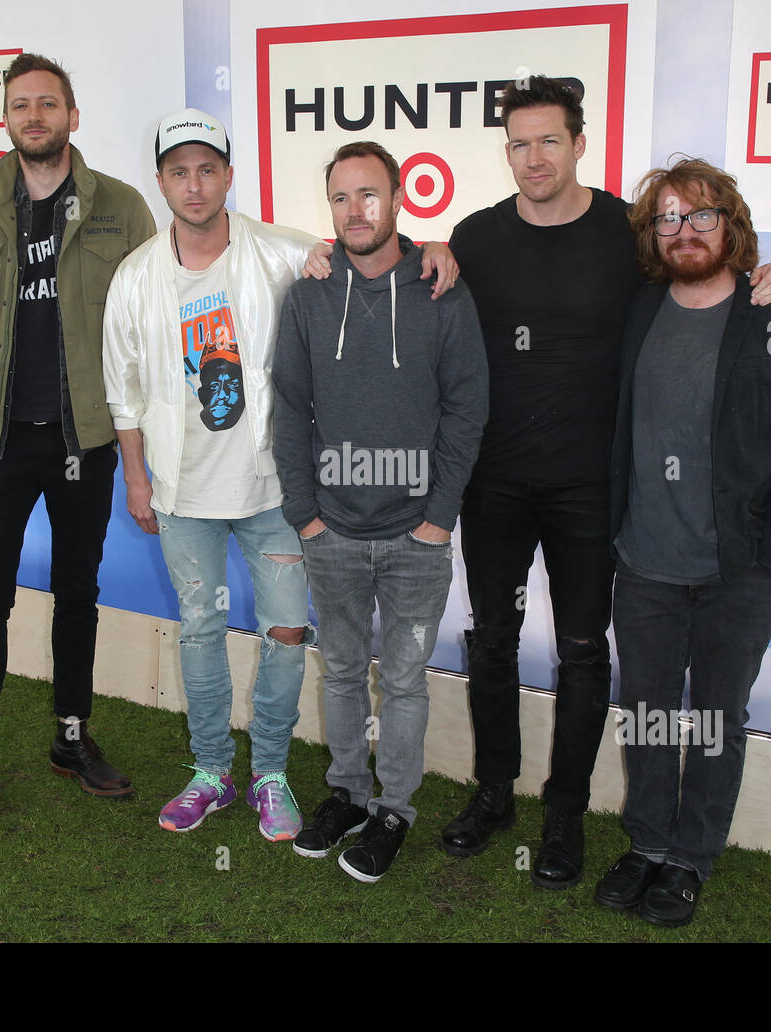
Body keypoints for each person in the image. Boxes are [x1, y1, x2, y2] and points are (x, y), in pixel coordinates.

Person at [440, 75, 771, 889]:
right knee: (492, 639)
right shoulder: (474, 238)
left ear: (578, 142)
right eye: (519, 144)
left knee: (581, 654)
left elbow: (700, 279)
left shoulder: (626, 234)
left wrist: (770, 281)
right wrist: (423, 246)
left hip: (591, 489)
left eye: (549, 141)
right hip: (493, 482)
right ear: (507, 152)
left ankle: (565, 813)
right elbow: (419, 294)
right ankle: (494, 792)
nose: (534, 158)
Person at [102, 112, 458, 841]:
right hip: (179, 493)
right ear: (162, 181)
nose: (194, 186)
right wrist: (136, 482)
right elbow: (123, 392)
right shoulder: (135, 276)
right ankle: (210, 772)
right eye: (179, 171)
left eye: (208, 170)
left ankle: (269, 772)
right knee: (199, 629)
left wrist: (437, 248)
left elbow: (370, 251)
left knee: (287, 634)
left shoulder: (283, 254)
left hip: (272, 494)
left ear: (230, 176)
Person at [592, 157, 771, 925]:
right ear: (651, 235)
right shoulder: (638, 310)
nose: (684, 230)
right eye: (668, 218)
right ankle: (648, 846)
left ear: (729, 224)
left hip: (739, 571)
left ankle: (691, 860)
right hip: (644, 565)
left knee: (717, 719)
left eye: (700, 215)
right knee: (649, 712)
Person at [0, 54, 156, 828]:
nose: (34, 116)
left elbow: (144, 321)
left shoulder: (121, 207)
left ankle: (70, 737)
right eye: (20, 104)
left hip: (82, 439)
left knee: (77, 591)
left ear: (72, 115)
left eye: (47, 103)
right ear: (7, 118)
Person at [273, 141, 488, 882]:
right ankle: (346, 794)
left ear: (398, 199)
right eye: (341, 198)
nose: (355, 210)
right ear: (329, 207)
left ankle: (394, 810)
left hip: (415, 538)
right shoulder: (308, 292)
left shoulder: (440, 289)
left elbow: (468, 409)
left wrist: (439, 518)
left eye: (370, 195)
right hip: (331, 530)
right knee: (337, 672)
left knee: (401, 680)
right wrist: (305, 515)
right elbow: (288, 408)